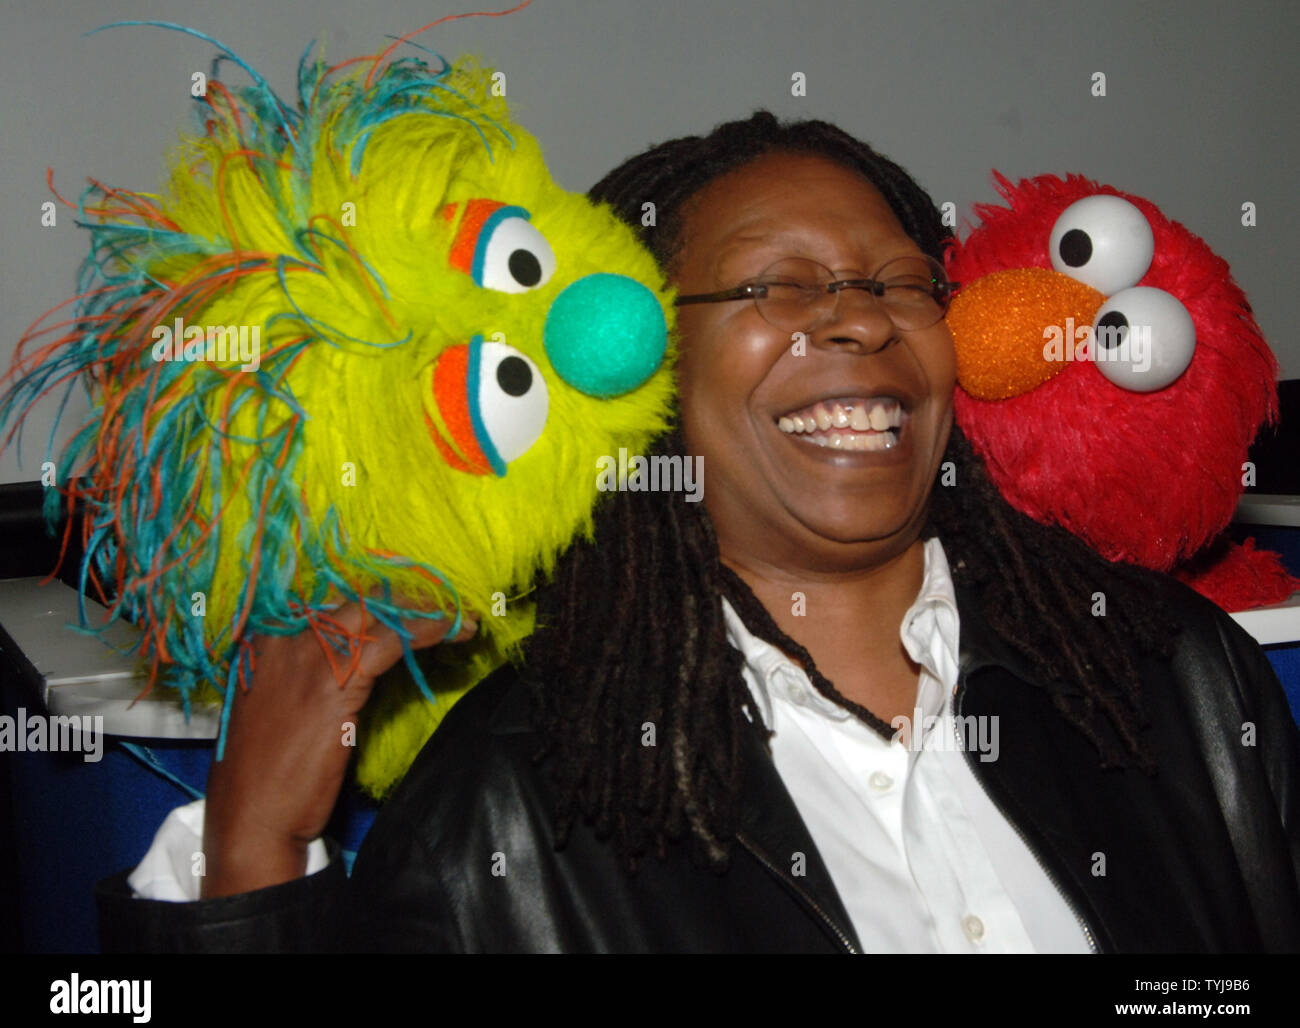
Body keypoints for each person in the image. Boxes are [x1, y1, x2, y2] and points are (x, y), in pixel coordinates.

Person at [97, 112, 1300, 953]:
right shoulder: (517, 798)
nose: (857, 323)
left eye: (894, 282)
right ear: (652, 374)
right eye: (775, 285)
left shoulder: (1170, 681)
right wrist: (251, 857)